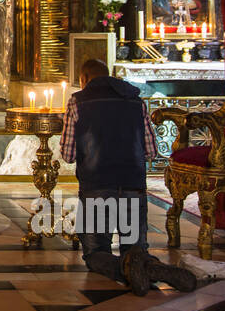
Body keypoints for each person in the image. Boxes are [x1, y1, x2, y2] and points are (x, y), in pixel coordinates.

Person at [59, 58, 196, 296]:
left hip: (96, 186)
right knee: (135, 248)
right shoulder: (136, 100)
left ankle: (130, 270)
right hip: (133, 185)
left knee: (95, 253)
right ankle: (152, 268)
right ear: (109, 75)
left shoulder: (77, 102)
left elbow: (68, 155)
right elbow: (152, 151)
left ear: (83, 80)